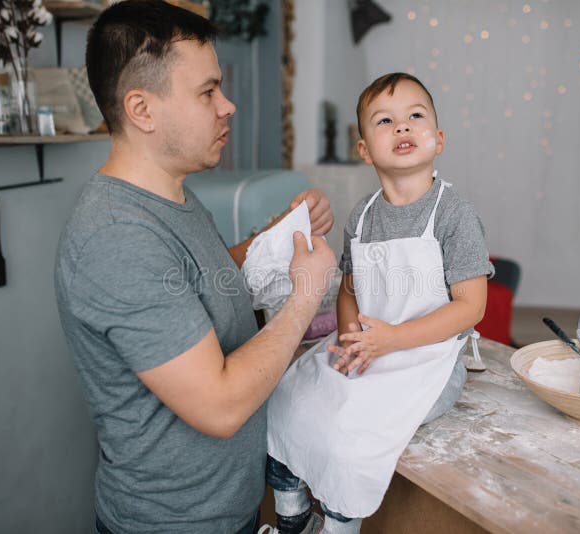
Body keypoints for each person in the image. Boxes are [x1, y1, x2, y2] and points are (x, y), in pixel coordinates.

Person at [53, 2, 336, 533]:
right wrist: (305, 295)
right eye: (208, 92)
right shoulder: (116, 237)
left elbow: (195, 282)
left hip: (227, 511)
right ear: (142, 109)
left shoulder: (171, 198)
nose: (227, 106)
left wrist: (276, 236)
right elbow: (220, 407)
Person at [263, 73, 494, 534]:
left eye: (415, 116)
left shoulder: (453, 214)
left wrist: (393, 340)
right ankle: (293, 521)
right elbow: (350, 288)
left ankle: (338, 527)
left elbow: (470, 308)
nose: (402, 126)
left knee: (355, 433)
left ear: (438, 138)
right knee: (287, 397)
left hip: (428, 361)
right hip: (369, 347)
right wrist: (351, 337)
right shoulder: (363, 215)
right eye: (385, 121)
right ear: (365, 149)